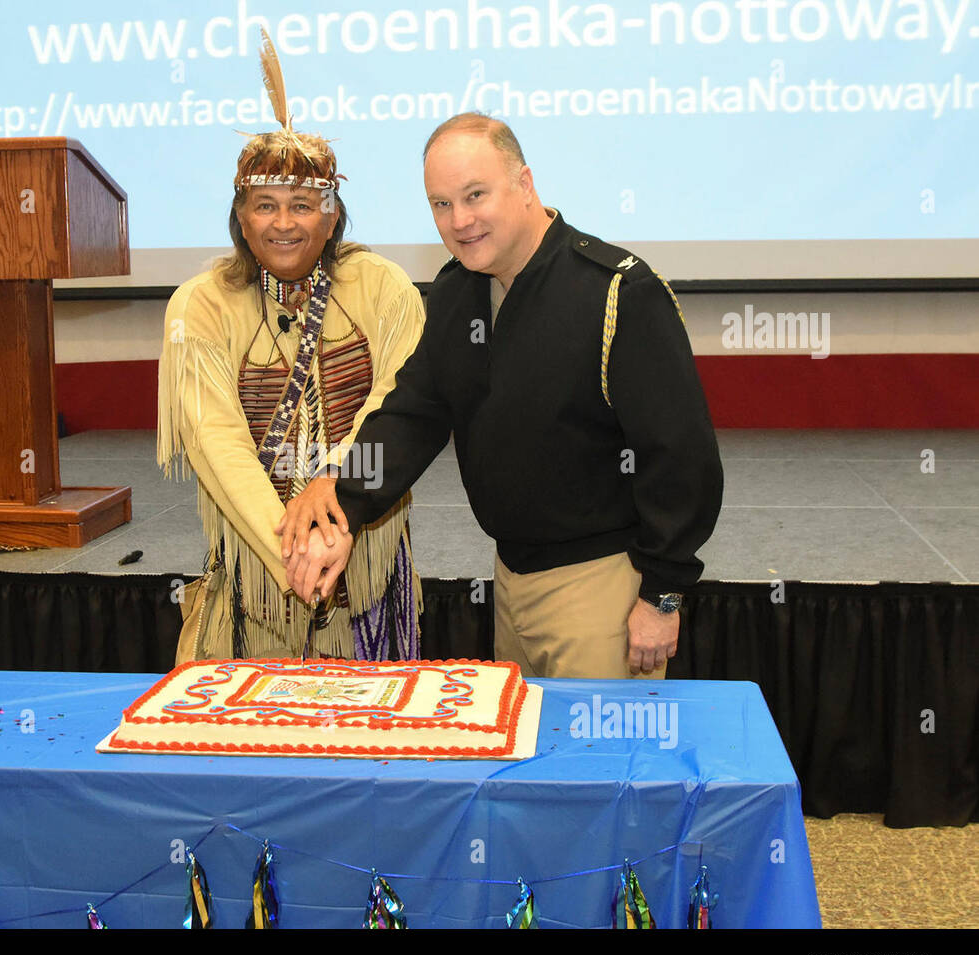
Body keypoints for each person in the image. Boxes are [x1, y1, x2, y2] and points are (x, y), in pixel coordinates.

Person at [279, 113, 723, 679]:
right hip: (509, 583)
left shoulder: (619, 293)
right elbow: (412, 417)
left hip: (603, 591)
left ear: (525, 183)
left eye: (475, 195)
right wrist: (337, 493)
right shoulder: (455, 290)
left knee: (592, 767)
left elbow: (683, 459)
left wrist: (663, 594)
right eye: (441, 204)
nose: (459, 220)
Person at [157, 32, 424, 663]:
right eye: (265, 205)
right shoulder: (201, 304)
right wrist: (294, 552)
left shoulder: (380, 286)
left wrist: (337, 519)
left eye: (303, 205)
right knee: (240, 749)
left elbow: (398, 407)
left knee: (372, 751)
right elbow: (214, 440)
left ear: (332, 215)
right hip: (254, 585)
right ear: (240, 217)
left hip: (367, 575)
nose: (283, 223)